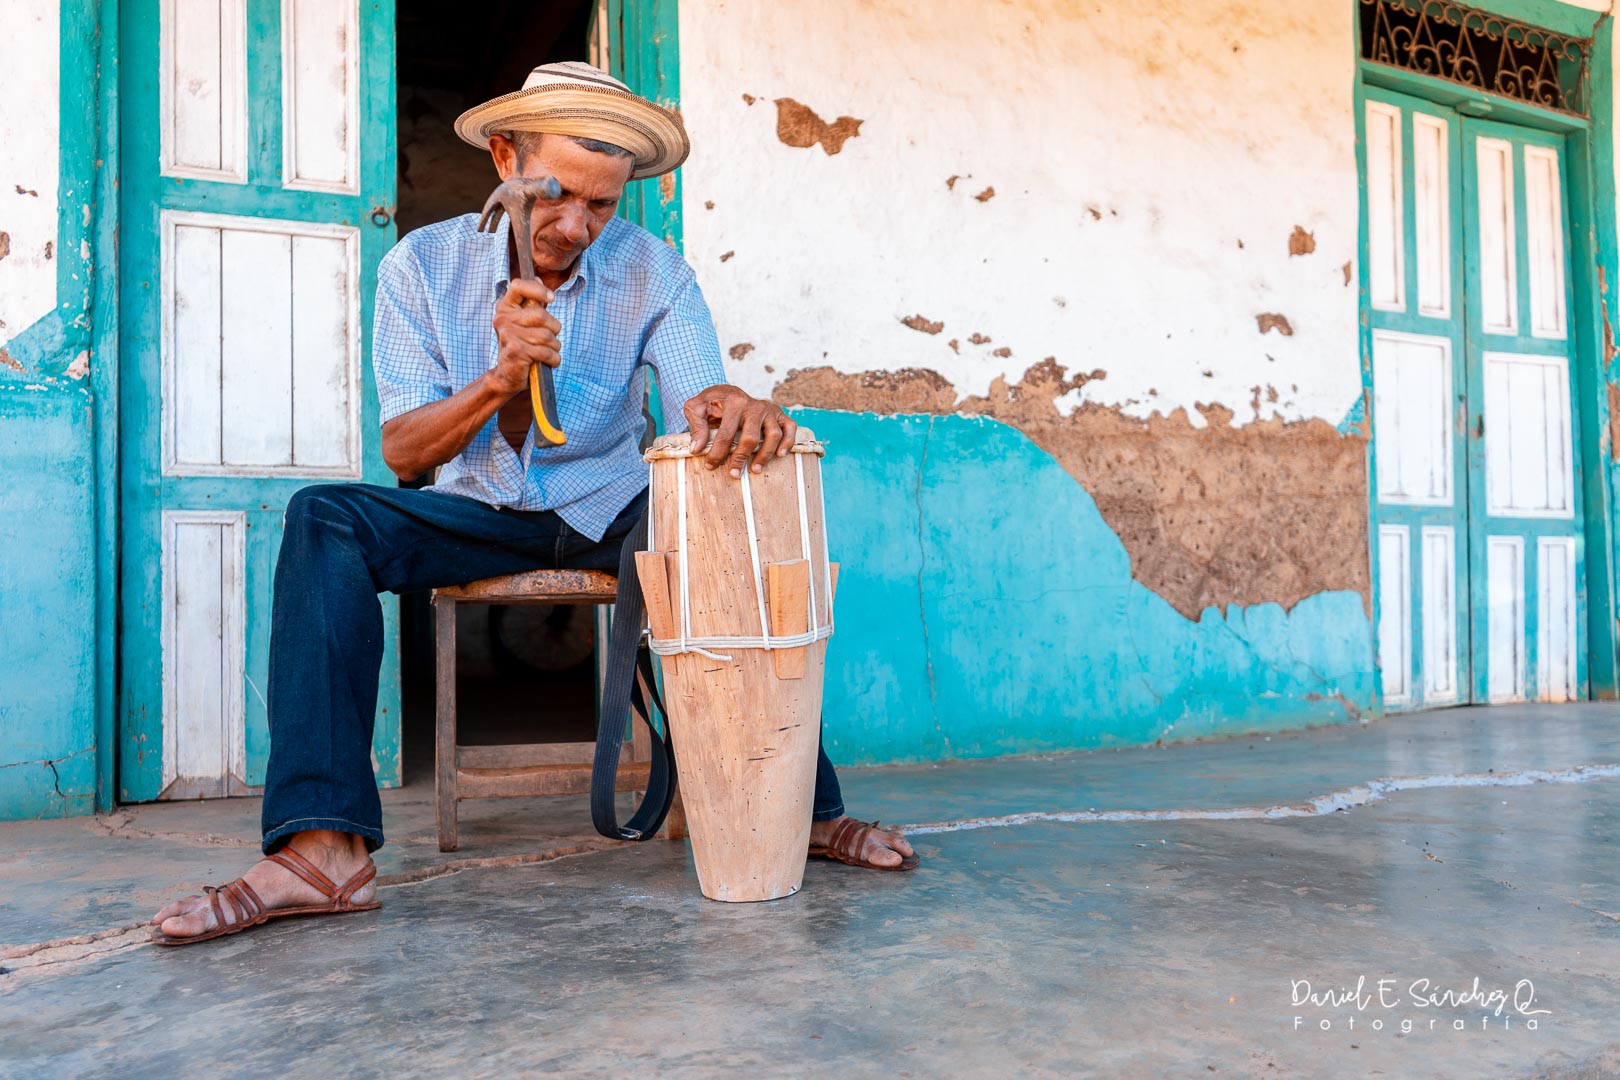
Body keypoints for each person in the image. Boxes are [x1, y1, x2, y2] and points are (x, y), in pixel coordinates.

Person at [152, 62, 916, 945]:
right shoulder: (420, 266)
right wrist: (498, 379)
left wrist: (730, 409)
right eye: (554, 195)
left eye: (601, 205)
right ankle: (324, 851)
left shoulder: (655, 272)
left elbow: (698, 402)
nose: (574, 225)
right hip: (477, 511)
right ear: (505, 158)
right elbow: (405, 452)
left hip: (609, 505)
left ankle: (805, 815)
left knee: (719, 529)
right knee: (325, 519)